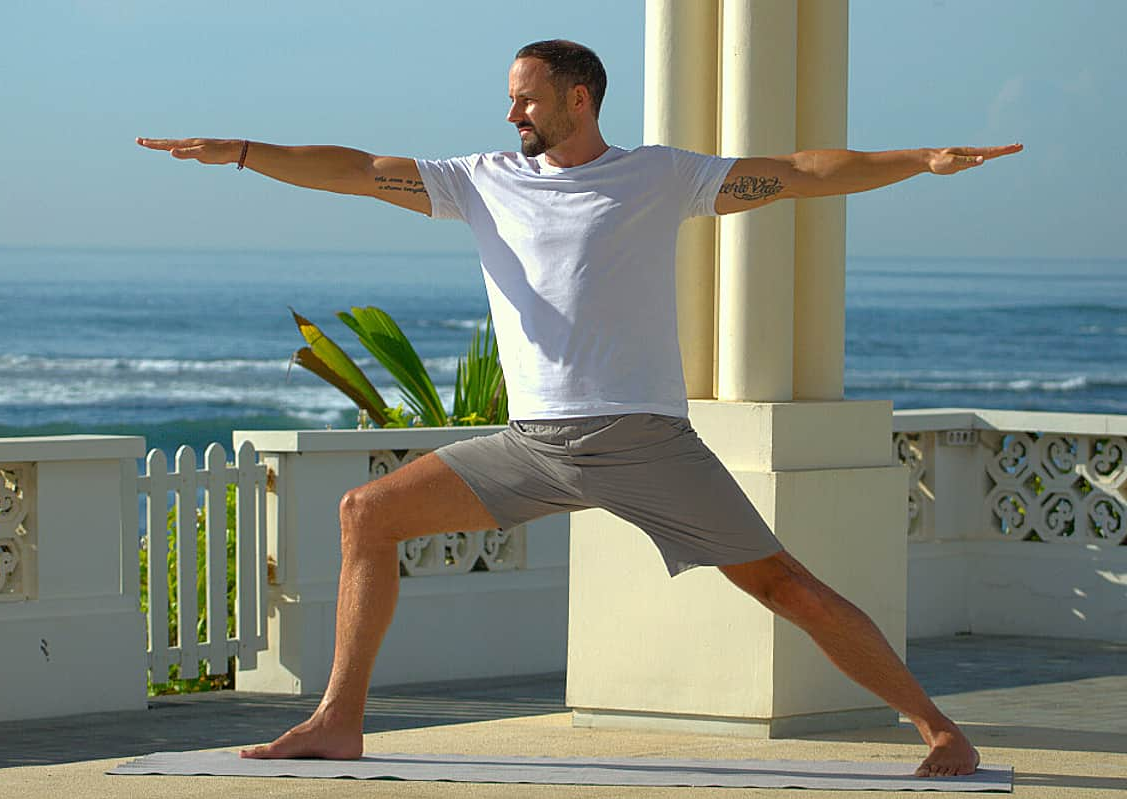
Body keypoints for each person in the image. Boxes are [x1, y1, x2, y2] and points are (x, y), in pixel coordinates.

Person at [138, 39, 1020, 778]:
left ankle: (938, 726)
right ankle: (338, 720)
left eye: (526, 100)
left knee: (784, 585)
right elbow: (360, 171)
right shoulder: (480, 181)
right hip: (533, 444)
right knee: (366, 512)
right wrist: (246, 151)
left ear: (578, 96)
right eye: (510, 102)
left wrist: (918, 161)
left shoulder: (659, 177)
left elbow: (792, 172)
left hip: (642, 441)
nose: (513, 115)